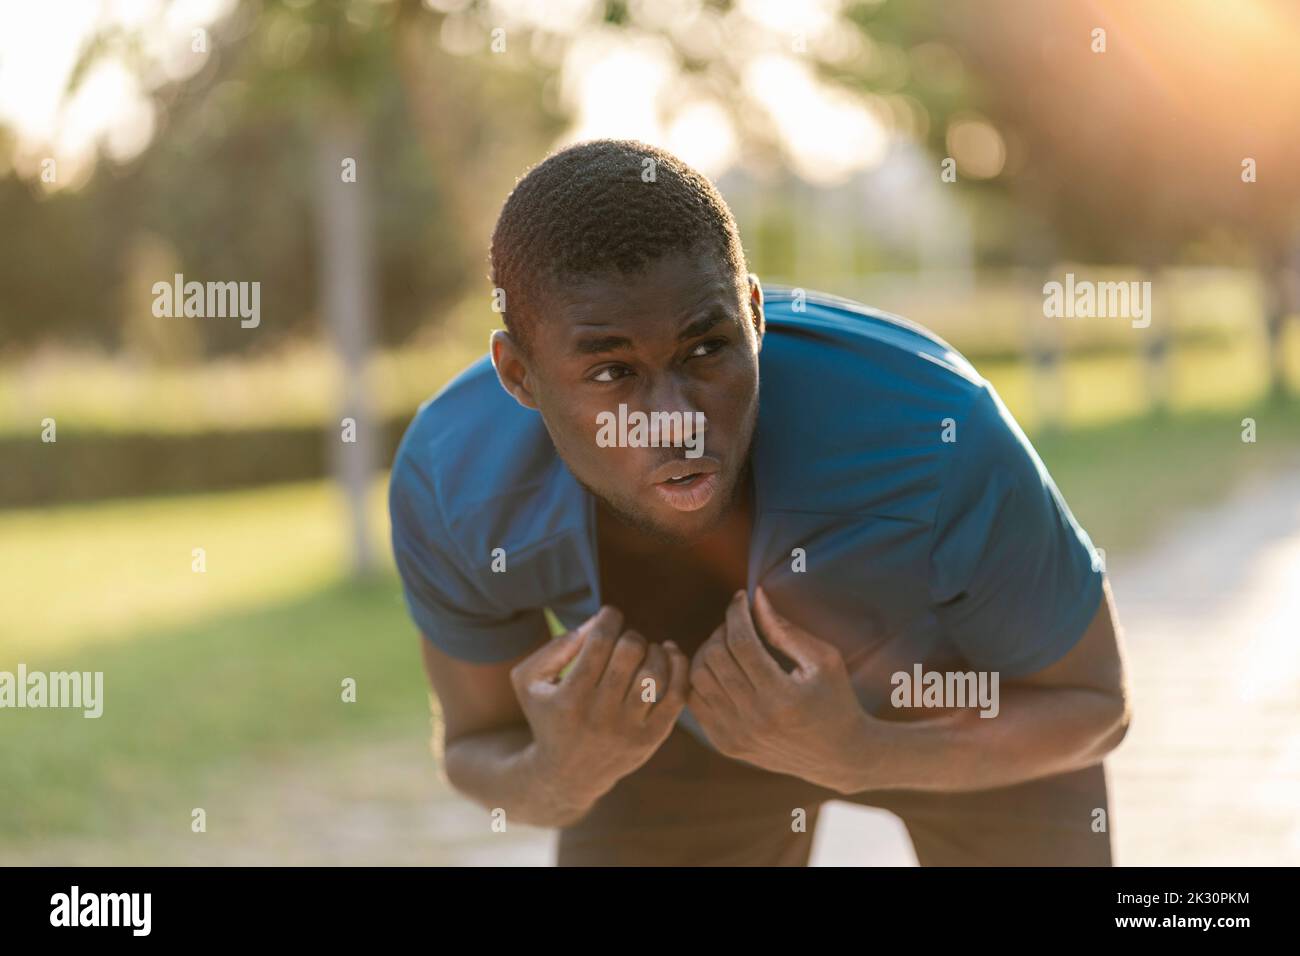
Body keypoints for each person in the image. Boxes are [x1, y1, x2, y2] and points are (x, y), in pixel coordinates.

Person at [389, 139, 1131, 866]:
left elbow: (1095, 707)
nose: (675, 417)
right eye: (613, 372)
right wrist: (561, 774)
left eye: (705, 350)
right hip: (675, 745)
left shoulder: (935, 427)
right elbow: (474, 746)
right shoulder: (452, 481)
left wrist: (861, 752)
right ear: (519, 375)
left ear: (753, 313)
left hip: (956, 724)